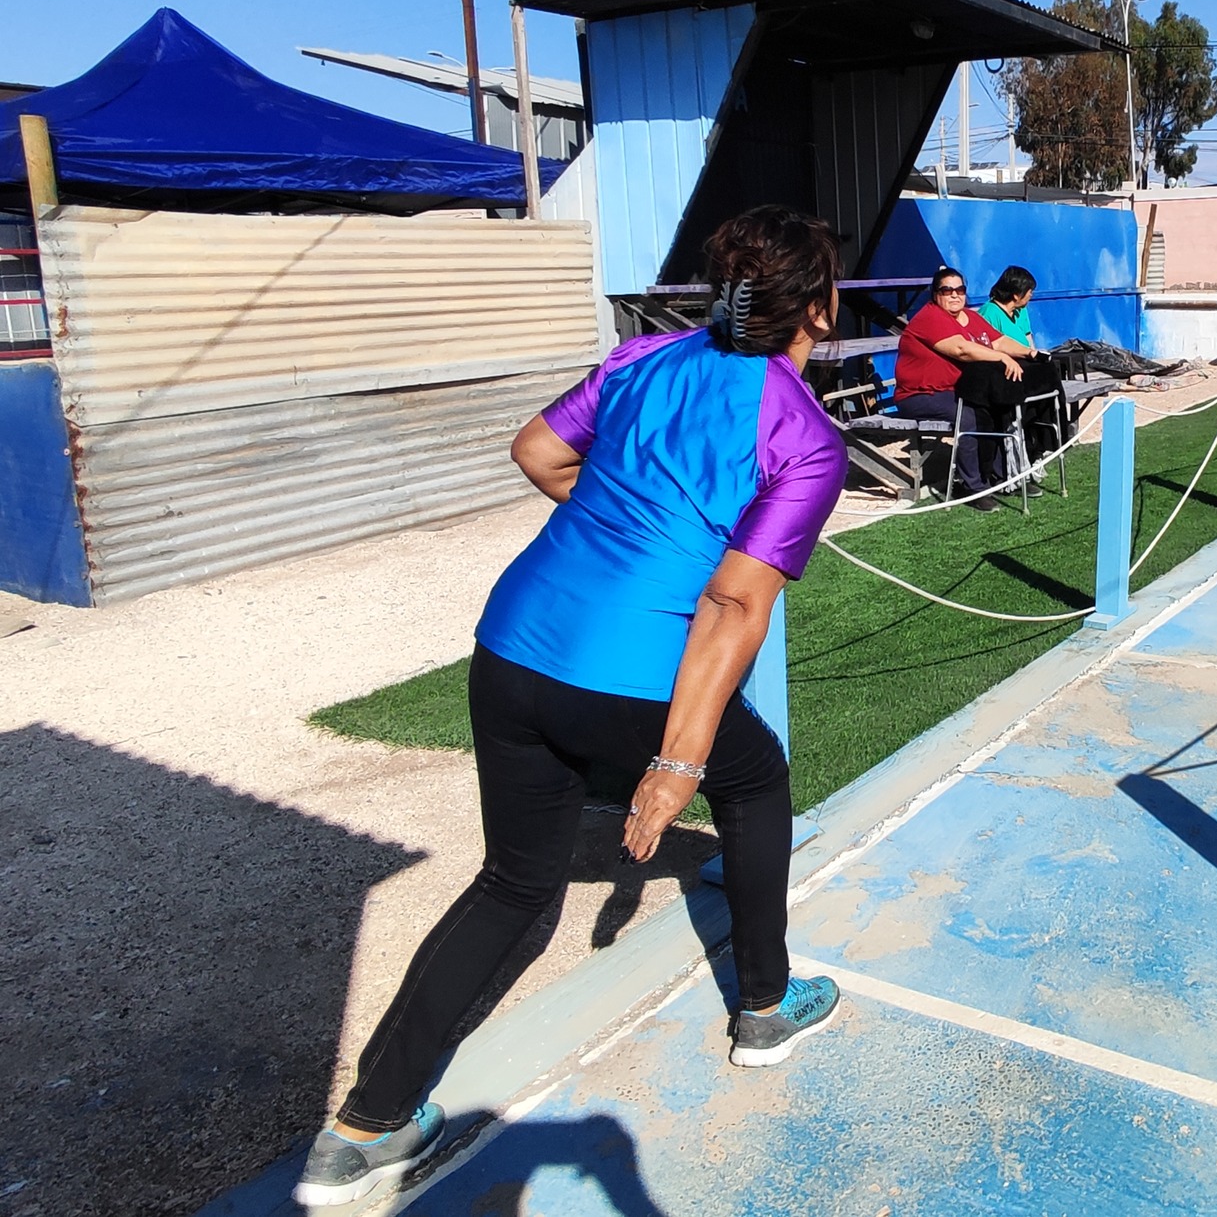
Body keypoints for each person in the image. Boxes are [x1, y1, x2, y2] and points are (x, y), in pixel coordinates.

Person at [292, 207, 850, 1208]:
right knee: (754, 777)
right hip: (626, 676)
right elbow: (730, 601)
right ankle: (764, 1005)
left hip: (511, 644)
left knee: (514, 885)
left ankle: (363, 1127)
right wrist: (676, 761)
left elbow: (537, 451)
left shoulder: (645, 355)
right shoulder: (803, 434)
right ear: (819, 305)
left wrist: (620, 528)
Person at [893, 266, 1030, 510]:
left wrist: (1030, 352)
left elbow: (999, 341)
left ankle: (1001, 477)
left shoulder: (971, 316)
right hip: (921, 394)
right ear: (936, 294)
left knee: (998, 408)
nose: (955, 294)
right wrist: (1000, 358)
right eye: (948, 290)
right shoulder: (930, 317)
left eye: (960, 289)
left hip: (957, 390)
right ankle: (973, 488)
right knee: (969, 417)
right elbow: (961, 349)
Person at [978, 265, 1040, 352]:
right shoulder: (989, 313)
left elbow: (1029, 341)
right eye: (1029, 292)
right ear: (1016, 295)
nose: (1031, 295)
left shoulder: (1021, 310)